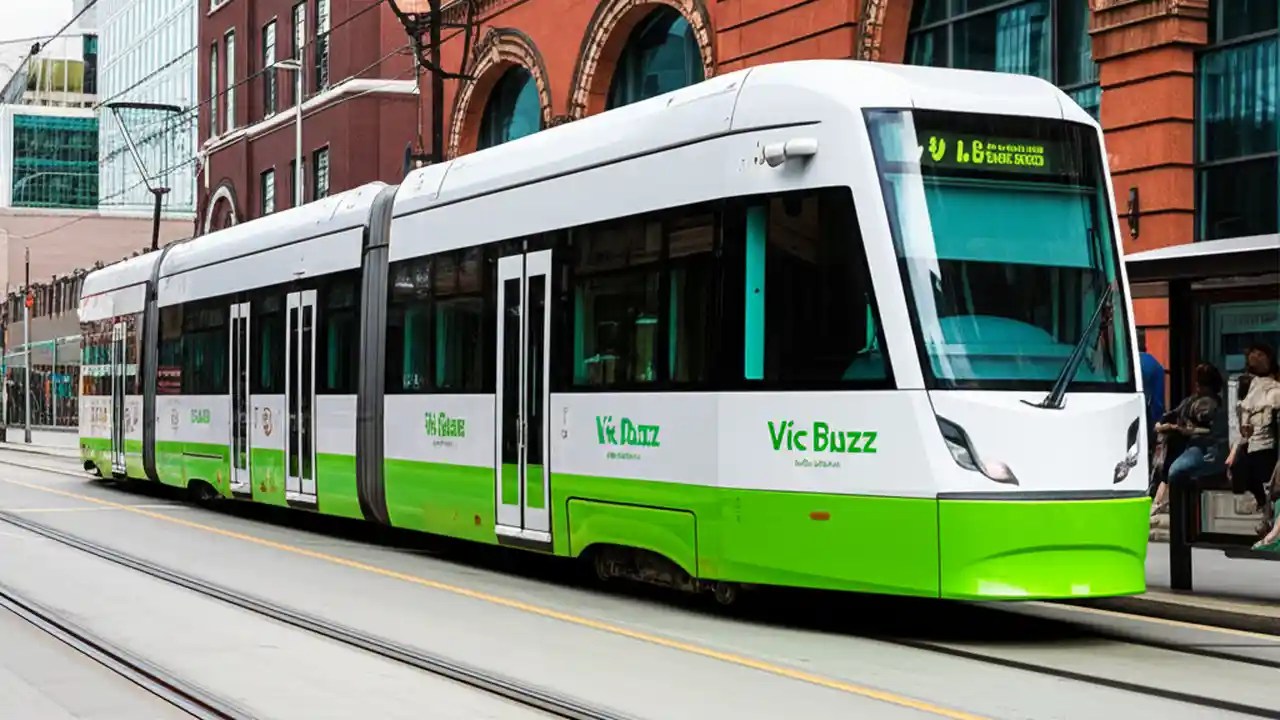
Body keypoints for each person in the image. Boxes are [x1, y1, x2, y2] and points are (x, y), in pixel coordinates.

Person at [1150, 362, 1229, 515]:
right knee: (1165, 467)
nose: (1198, 385)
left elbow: (1206, 428)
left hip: (1202, 446)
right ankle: (1159, 500)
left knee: (1176, 469)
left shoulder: (1210, 403)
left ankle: (1176, 505)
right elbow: (1173, 413)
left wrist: (1180, 429)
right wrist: (1163, 422)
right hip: (1180, 444)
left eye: (1201, 382)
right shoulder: (1191, 400)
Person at [1225, 343, 1280, 551]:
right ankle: (1266, 515)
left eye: (1260, 354)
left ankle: (1270, 525)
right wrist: (1234, 450)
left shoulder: (1274, 386)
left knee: (1269, 485)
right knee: (1246, 473)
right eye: (1253, 355)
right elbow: (1241, 422)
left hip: (1268, 446)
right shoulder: (1249, 384)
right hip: (1252, 443)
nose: (1256, 358)